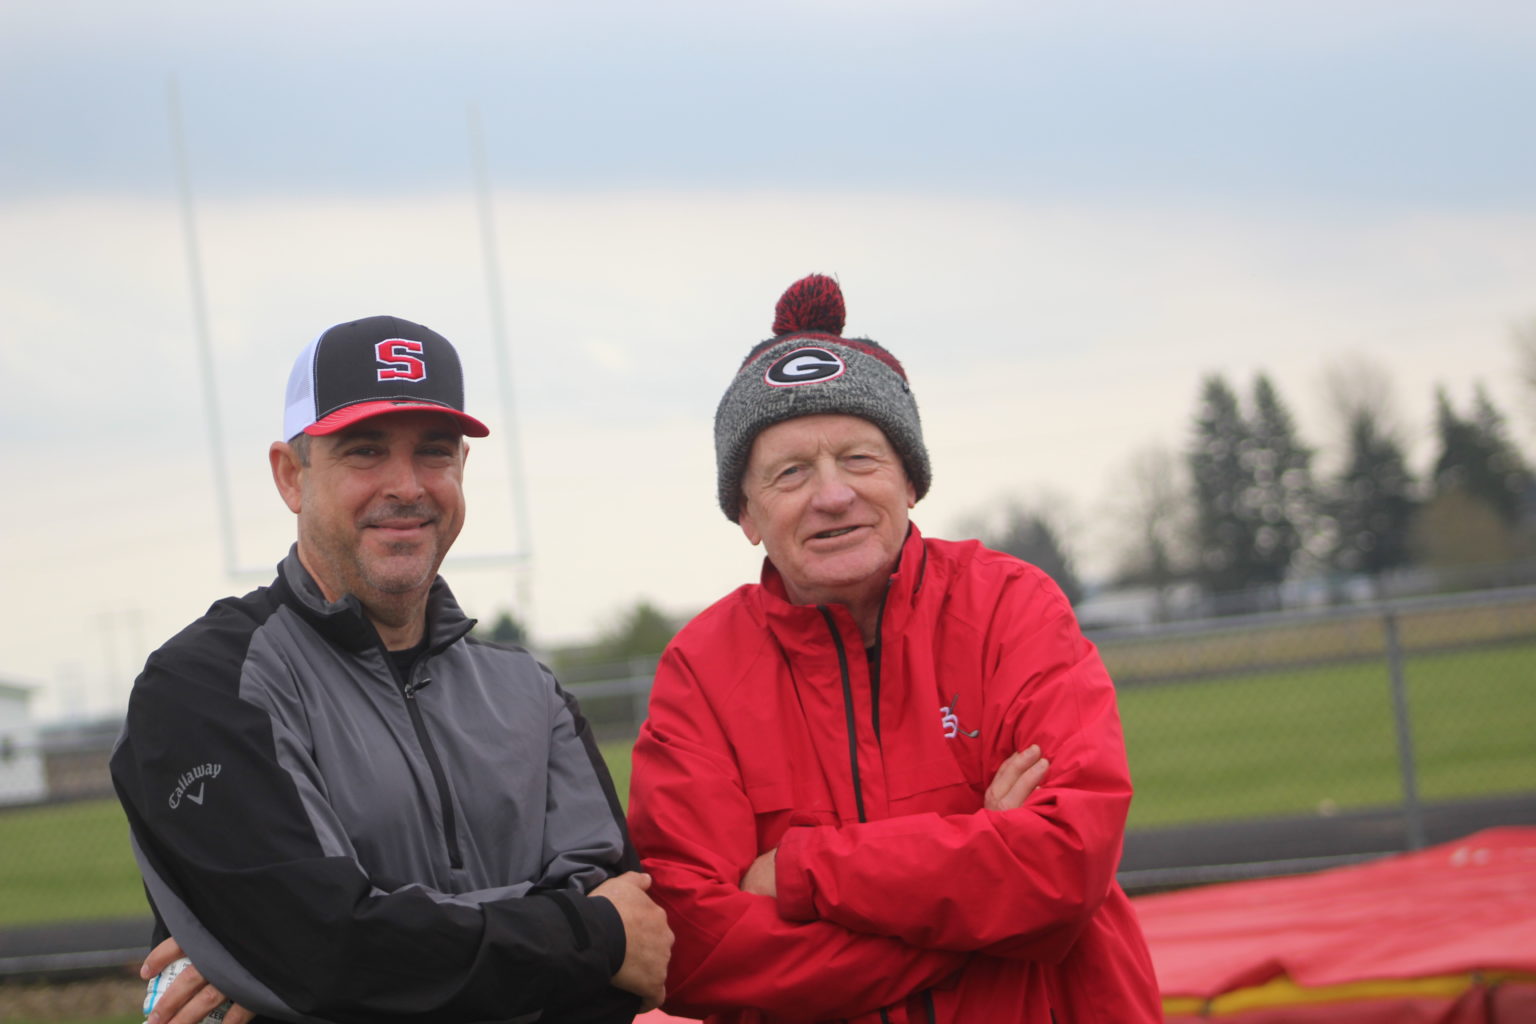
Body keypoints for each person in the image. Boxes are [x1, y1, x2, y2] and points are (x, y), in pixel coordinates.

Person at [626, 276, 1162, 1022]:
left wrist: (801, 871)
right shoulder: (702, 672)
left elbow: (1062, 870)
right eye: (790, 473)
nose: (832, 494)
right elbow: (693, 946)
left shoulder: (1011, 608)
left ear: (910, 479)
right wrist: (982, 915)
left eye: (860, 458)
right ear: (745, 515)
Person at [110, 315, 672, 1024]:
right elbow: (329, 952)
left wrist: (281, 961)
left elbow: (634, 949)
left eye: (435, 453)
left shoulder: (529, 691)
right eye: (365, 451)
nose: (406, 486)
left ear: (461, 470)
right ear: (292, 475)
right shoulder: (205, 684)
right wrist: (584, 934)